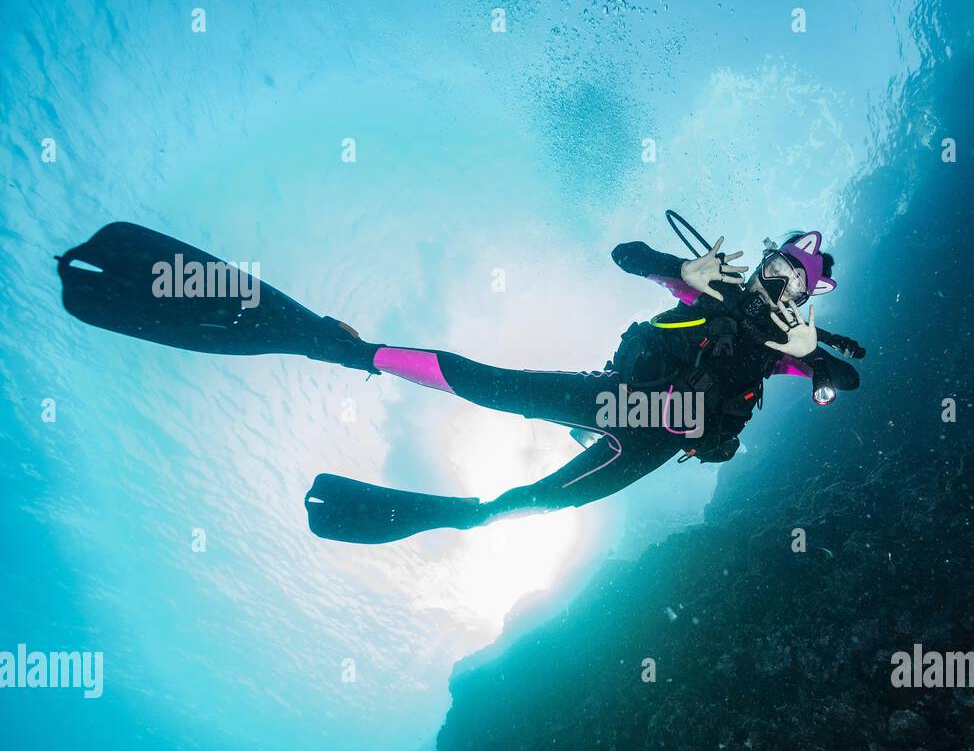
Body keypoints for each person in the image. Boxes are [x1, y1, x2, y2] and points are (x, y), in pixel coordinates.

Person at [57, 222, 864, 543]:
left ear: (809, 293)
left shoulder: (787, 342)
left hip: (662, 443)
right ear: (763, 256)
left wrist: (816, 360)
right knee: (487, 384)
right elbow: (624, 255)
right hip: (622, 401)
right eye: (780, 262)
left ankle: (458, 516)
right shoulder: (714, 291)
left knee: (533, 506)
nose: (781, 279)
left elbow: (843, 379)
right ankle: (343, 350)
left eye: (798, 278)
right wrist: (669, 265)